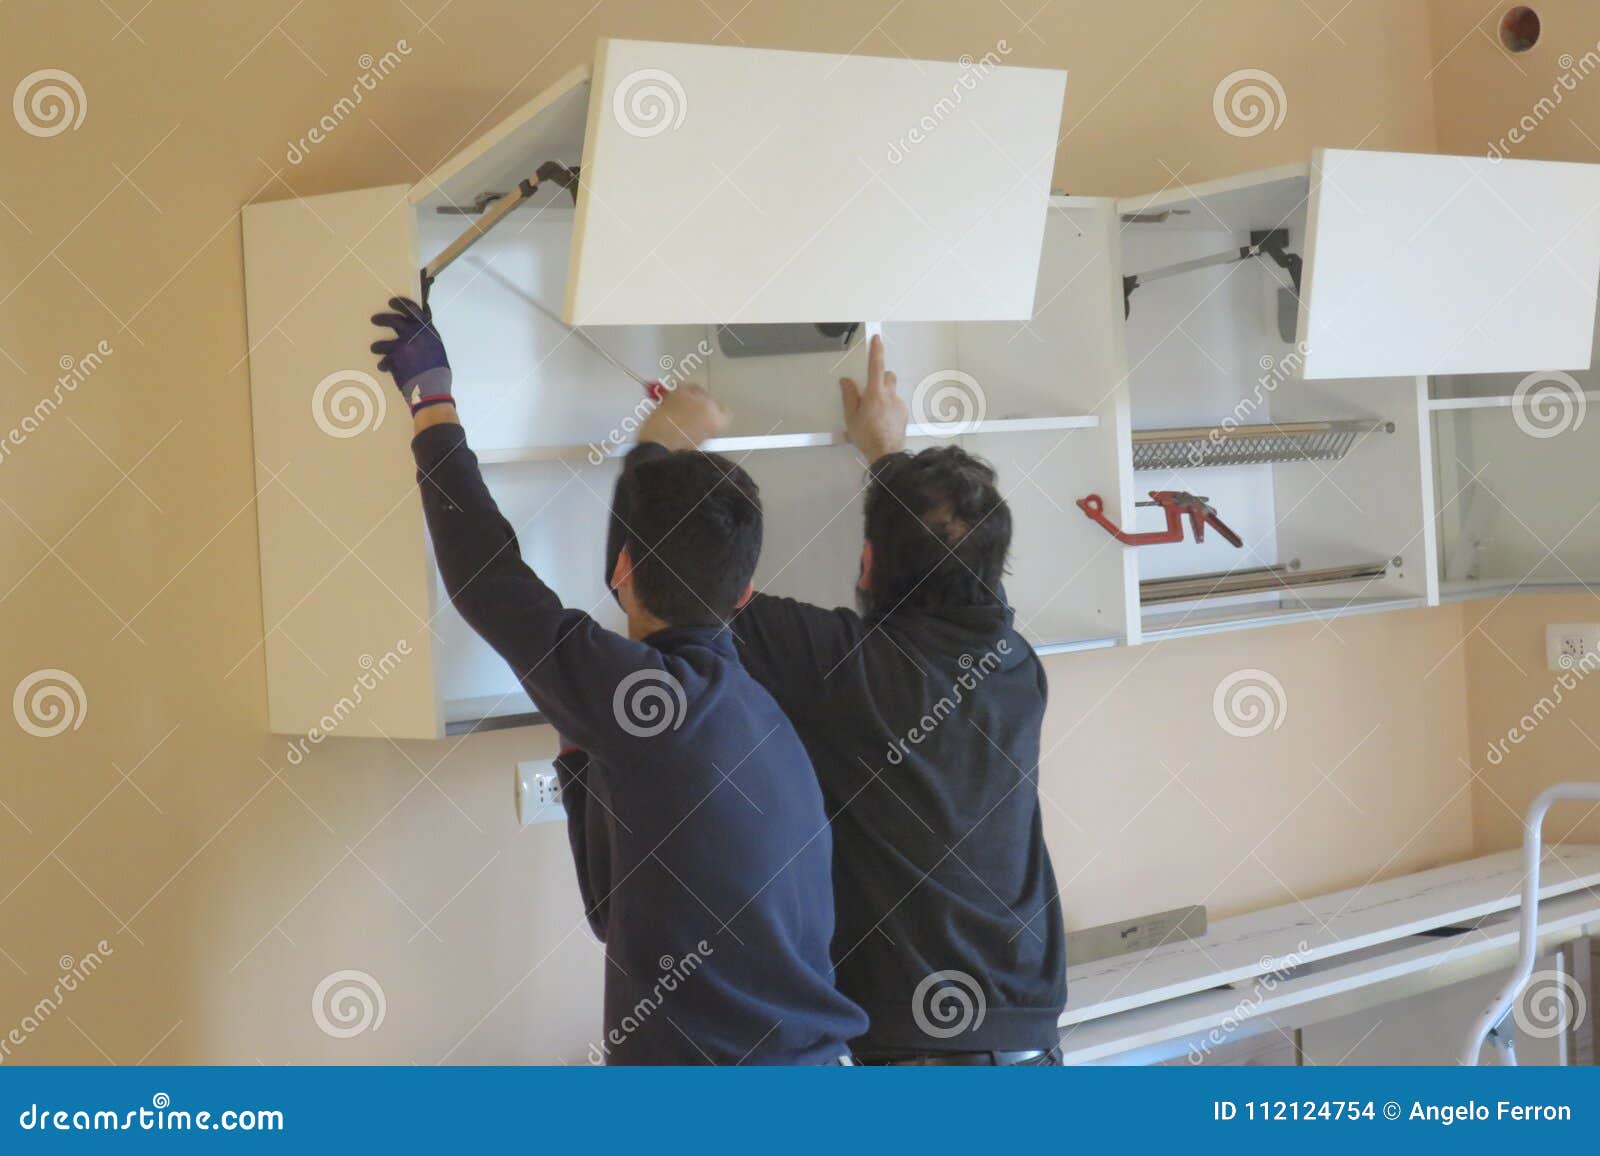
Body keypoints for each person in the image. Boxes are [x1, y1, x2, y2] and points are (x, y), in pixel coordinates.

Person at [370, 296, 866, 1065]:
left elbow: (487, 580)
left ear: (624, 571)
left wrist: (430, 396)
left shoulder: (653, 707)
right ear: (745, 594)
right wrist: (578, 753)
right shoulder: (752, 708)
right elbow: (618, 911)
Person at [641, 336, 1066, 1065]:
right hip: (1027, 1028)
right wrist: (886, 454)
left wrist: (658, 451)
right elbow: (955, 554)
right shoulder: (1014, 664)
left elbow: (679, 589)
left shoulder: (844, 668)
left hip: (921, 1056)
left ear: (867, 563)